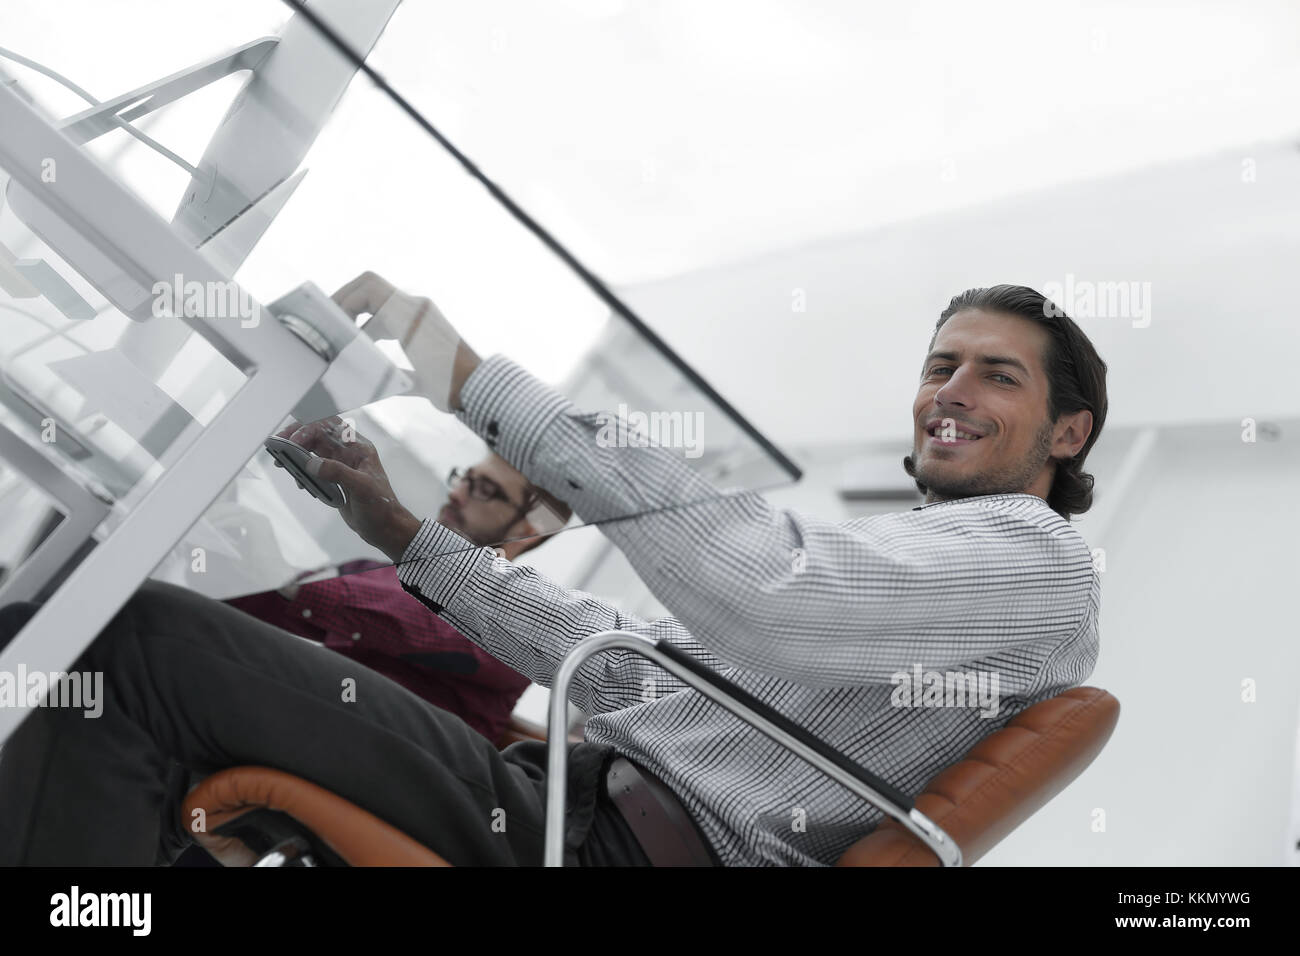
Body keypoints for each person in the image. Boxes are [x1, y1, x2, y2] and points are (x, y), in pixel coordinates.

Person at [0, 277, 1106, 867]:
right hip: (566, 806)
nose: (951, 389)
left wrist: (462, 373)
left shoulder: (1036, 559)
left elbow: (773, 592)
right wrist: (403, 529)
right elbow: (625, 675)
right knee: (84, 661)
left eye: (996, 375)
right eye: (939, 364)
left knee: (130, 639)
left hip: (595, 843)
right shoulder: (927, 565)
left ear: (1065, 433)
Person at [224, 453, 568, 745]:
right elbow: (277, 608)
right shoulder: (374, 573)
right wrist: (223, 560)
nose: (459, 494)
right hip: (296, 732)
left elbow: (411, 622)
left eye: (484, 489)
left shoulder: (514, 625)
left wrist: (288, 581)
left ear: (527, 531)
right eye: (464, 478)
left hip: (349, 772)